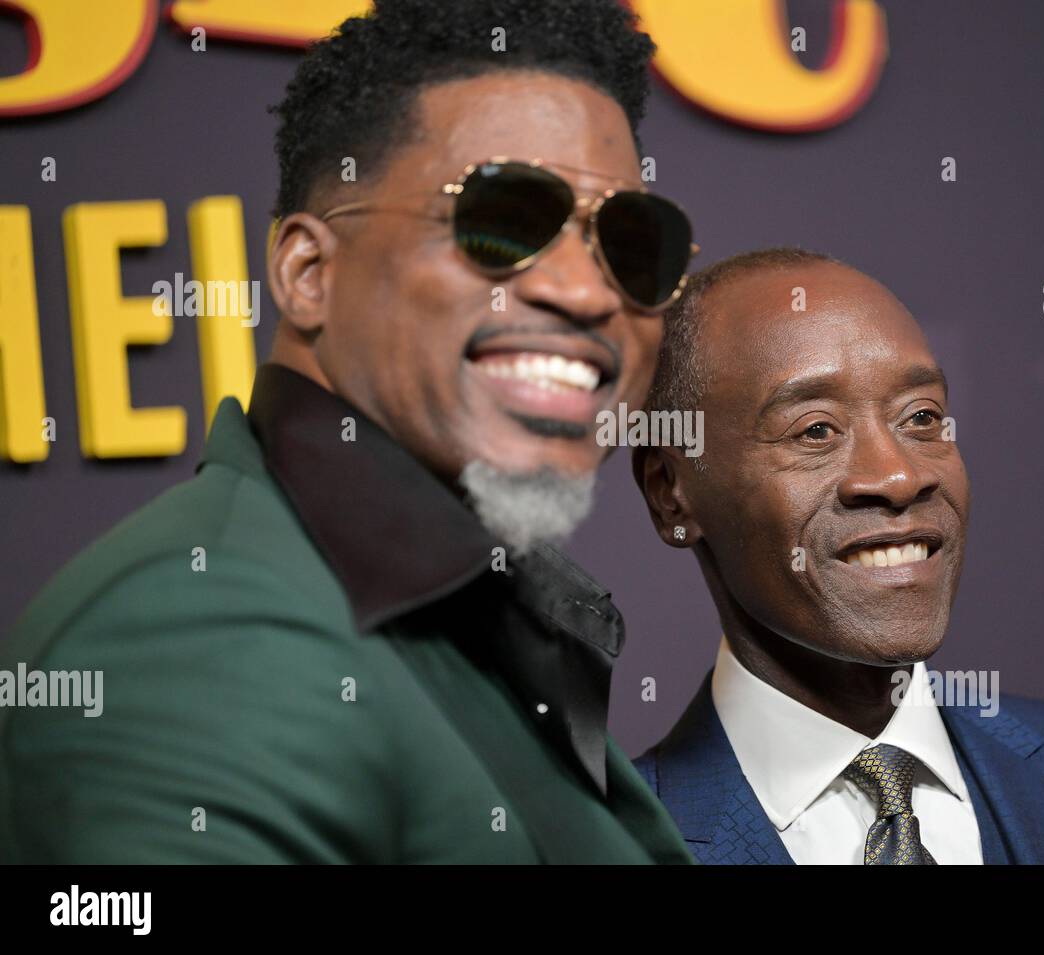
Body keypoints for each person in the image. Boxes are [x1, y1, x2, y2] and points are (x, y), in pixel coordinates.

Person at [0, 0, 697, 864]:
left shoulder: (471, 619)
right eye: (503, 221)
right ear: (306, 273)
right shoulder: (201, 633)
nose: (589, 294)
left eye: (631, 244)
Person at [631, 248, 1044, 864]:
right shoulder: (604, 847)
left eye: (922, 417)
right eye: (815, 429)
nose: (899, 475)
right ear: (670, 494)